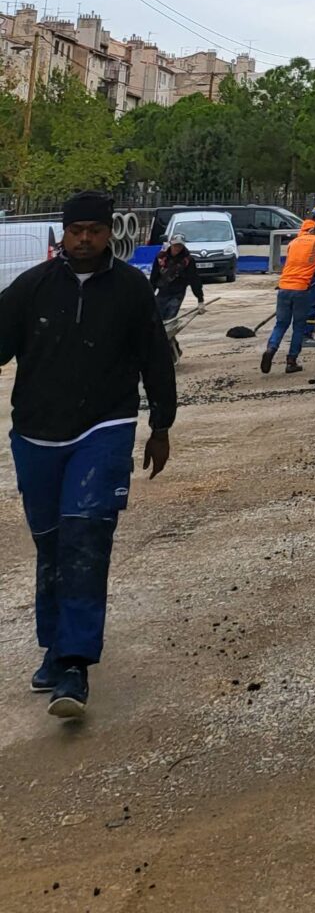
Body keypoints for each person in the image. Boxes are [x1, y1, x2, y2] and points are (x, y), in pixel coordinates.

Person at [0, 189, 175, 720]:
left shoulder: (130, 290)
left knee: (85, 537)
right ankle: (54, 649)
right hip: (35, 434)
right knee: (52, 544)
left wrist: (161, 424)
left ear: (108, 231)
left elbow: (154, 358)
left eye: (93, 231)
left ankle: (75, 664)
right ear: (62, 230)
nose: (83, 239)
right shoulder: (31, 287)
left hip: (105, 427)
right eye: (75, 230)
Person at [261, 208, 315, 374]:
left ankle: (271, 349)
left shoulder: (295, 242)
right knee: (299, 326)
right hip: (301, 289)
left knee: (281, 324)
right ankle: (291, 361)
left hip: (284, 287)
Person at [149, 233, 204, 322]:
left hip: (177, 294)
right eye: (175, 245)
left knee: (169, 319)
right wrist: (150, 295)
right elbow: (154, 277)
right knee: (157, 319)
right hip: (162, 292)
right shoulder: (161, 258)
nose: (177, 248)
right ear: (171, 244)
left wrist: (200, 299)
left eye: (180, 246)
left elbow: (194, 280)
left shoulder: (187, 261)